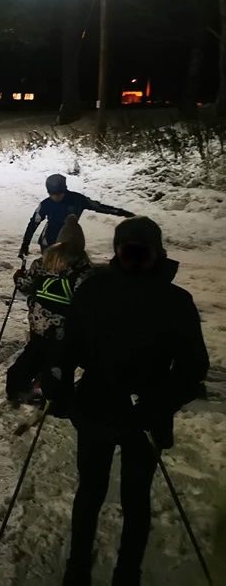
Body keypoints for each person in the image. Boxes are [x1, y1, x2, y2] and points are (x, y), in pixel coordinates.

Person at [49, 217, 208, 586]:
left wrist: (158, 404)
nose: (134, 257)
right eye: (127, 249)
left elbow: (192, 367)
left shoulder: (175, 301)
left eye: (142, 251)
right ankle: (77, 567)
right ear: (117, 250)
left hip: (146, 412)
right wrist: (57, 382)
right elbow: (66, 343)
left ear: (157, 252)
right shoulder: (93, 290)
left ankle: (127, 572)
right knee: (91, 489)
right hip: (95, 404)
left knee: (136, 496)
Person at [6, 215, 94, 403]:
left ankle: (15, 386)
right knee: (59, 362)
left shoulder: (42, 262)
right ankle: (57, 397)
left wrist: (17, 278)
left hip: (39, 325)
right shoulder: (84, 270)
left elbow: (25, 285)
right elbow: (85, 301)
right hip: (64, 331)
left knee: (33, 354)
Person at [20, 173, 133, 256]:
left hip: (71, 239)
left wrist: (120, 212)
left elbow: (98, 207)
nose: (55, 197)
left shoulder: (77, 199)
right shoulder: (46, 204)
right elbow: (33, 223)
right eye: (51, 194)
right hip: (48, 241)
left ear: (64, 190)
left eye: (58, 194)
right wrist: (25, 244)